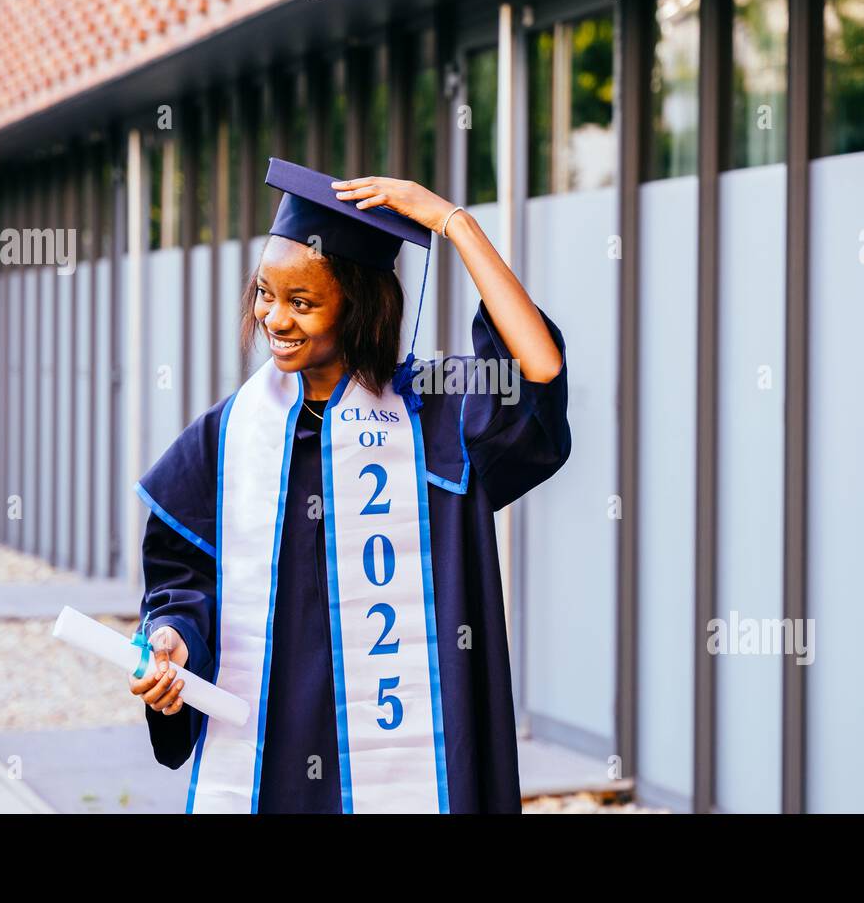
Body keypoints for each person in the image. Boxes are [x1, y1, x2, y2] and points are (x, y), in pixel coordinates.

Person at [128, 157, 570, 813]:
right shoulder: (232, 437)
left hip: (416, 751)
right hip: (276, 750)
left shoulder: (435, 416)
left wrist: (455, 225)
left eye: (301, 302)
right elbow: (182, 577)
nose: (275, 319)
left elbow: (537, 369)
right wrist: (171, 639)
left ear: (358, 308)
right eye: (265, 294)